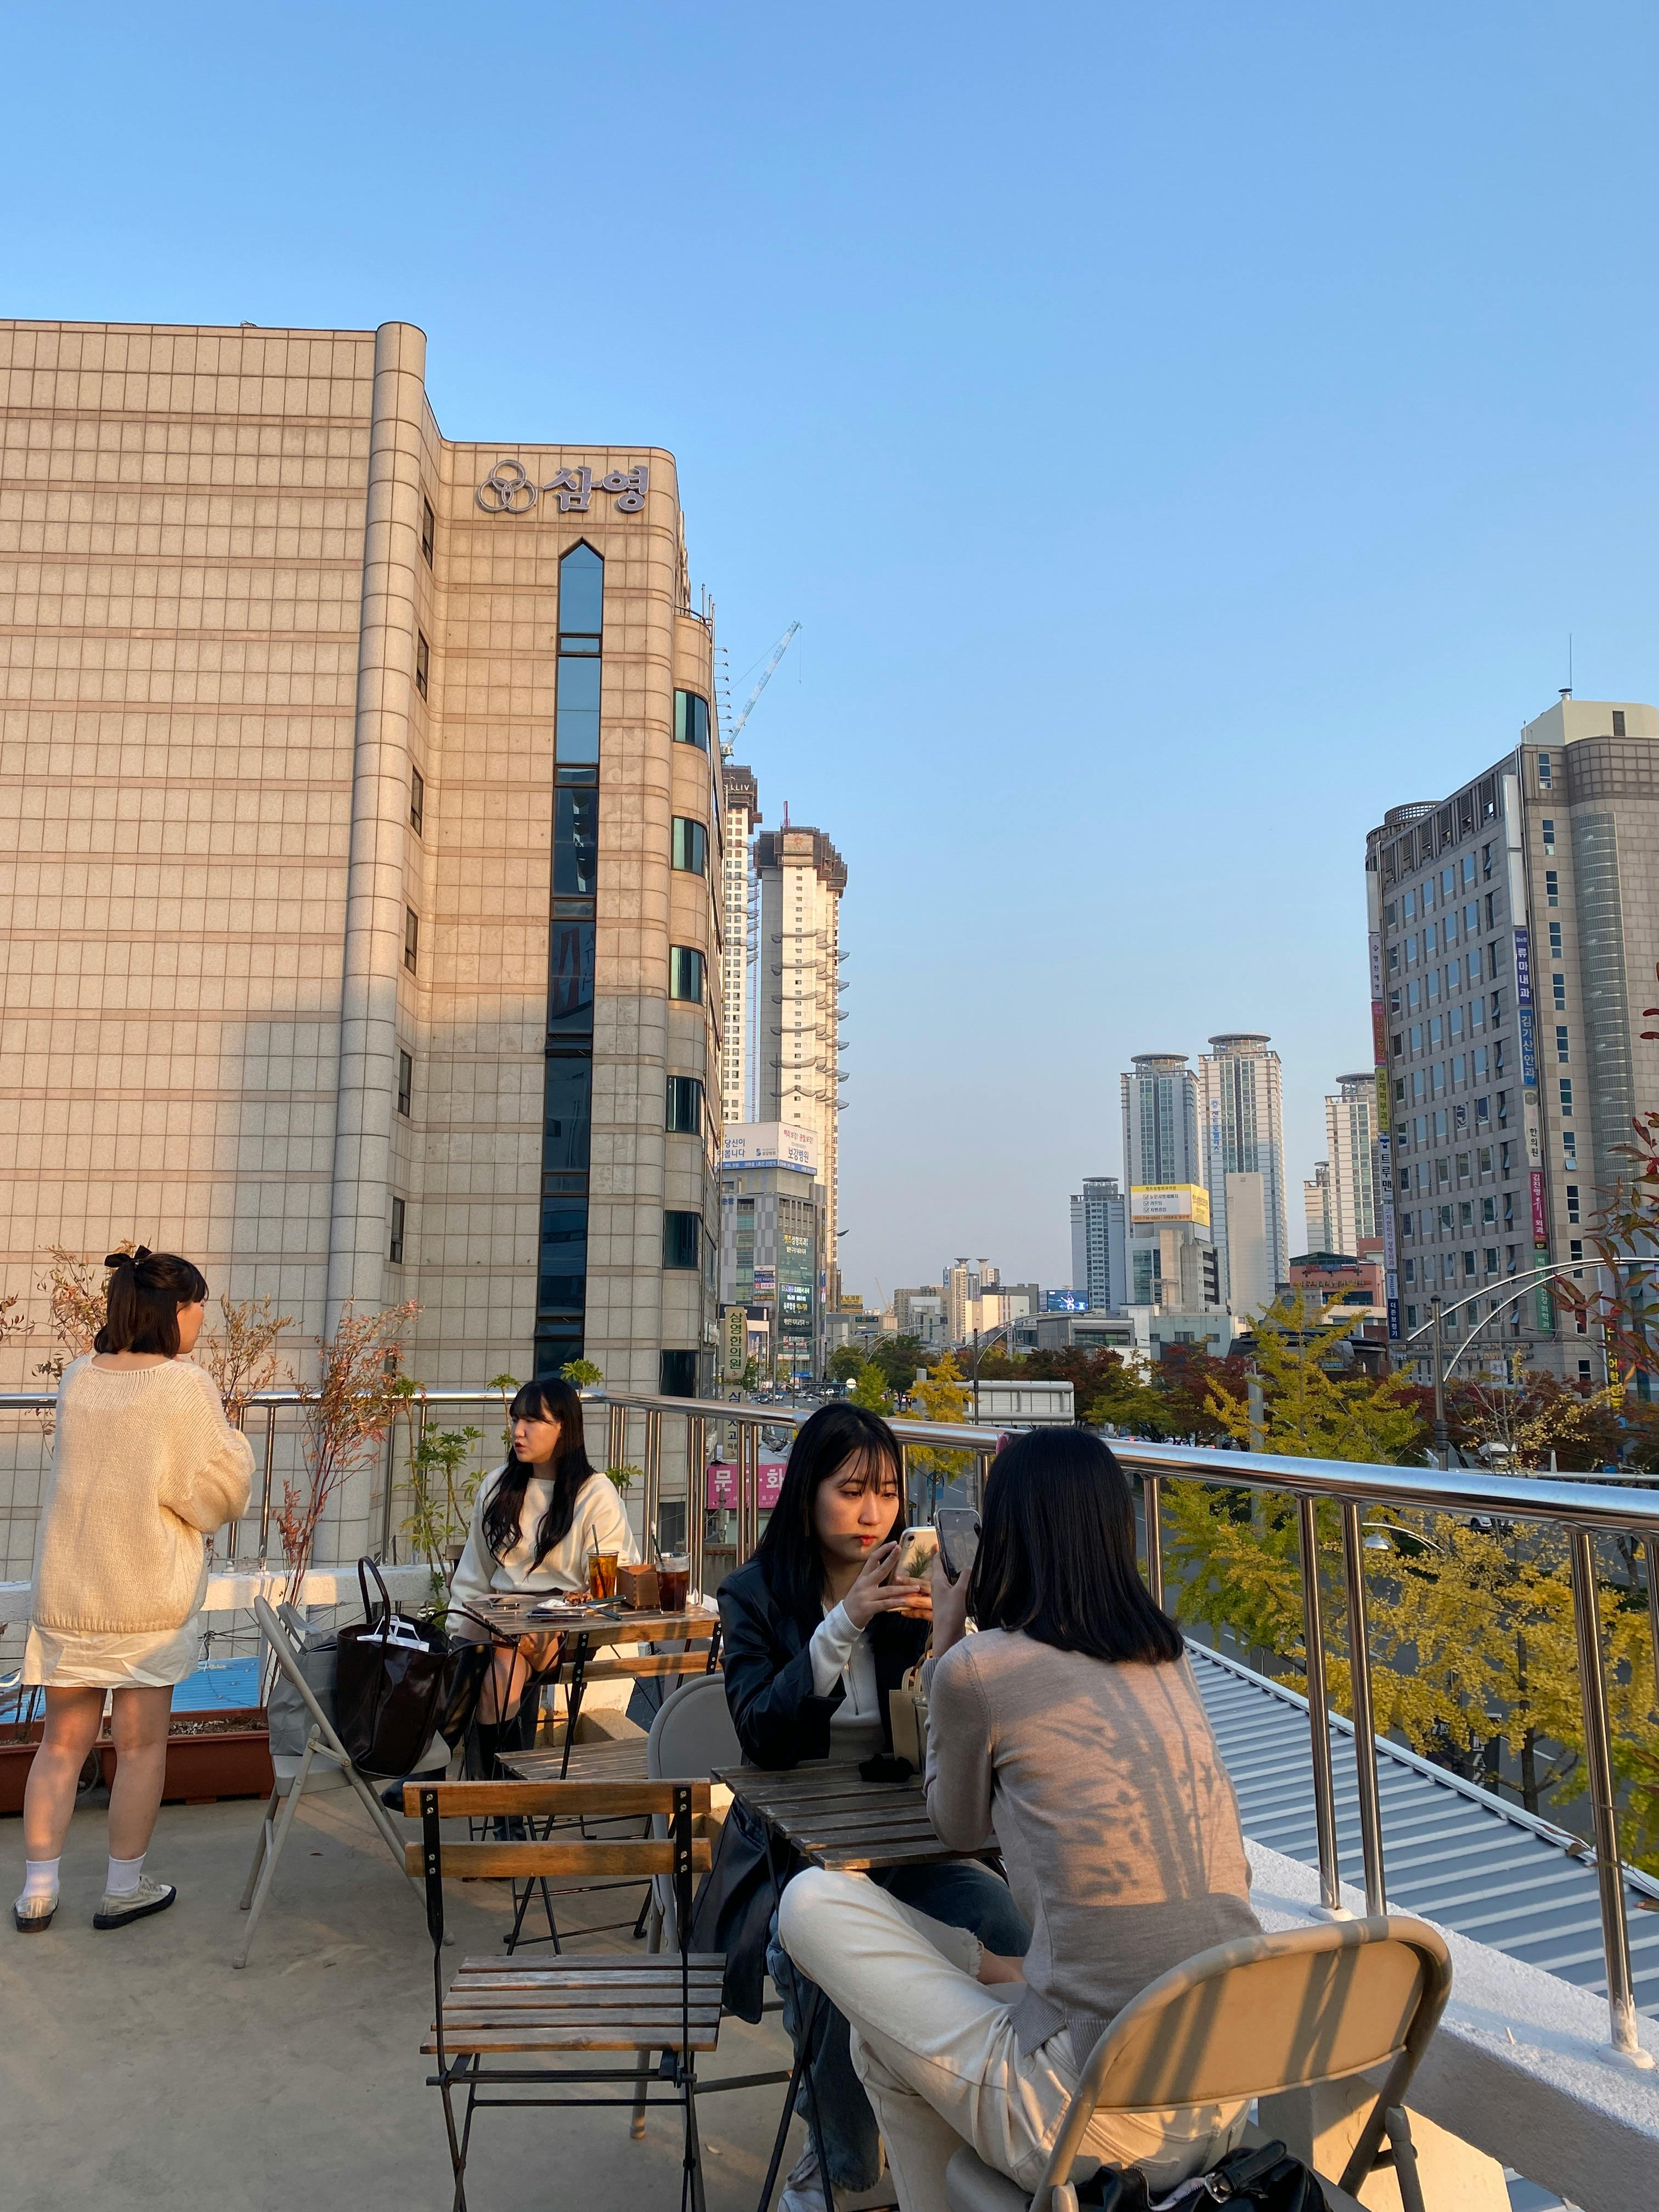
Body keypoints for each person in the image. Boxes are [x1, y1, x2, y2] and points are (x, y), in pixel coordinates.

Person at [778, 1427, 1261, 2212]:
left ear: (1005, 1536)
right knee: (881, 2042)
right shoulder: (1166, 1659)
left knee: (810, 1900)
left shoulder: (981, 1668)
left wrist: (943, 1638)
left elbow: (957, 1827)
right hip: (1227, 2098)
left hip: (1087, 2120)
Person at [715, 1403, 1030, 2212]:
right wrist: (844, 1621)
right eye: (851, 1490)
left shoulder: (914, 1586)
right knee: (816, 1957)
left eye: (887, 1493)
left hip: (902, 1840)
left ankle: (986, 2134)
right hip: (789, 1851)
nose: (872, 1513)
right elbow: (764, 1736)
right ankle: (844, 2167)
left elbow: (953, 1750)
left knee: (1000, 1917)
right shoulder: (754, 1596)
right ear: (805, 1493)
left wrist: (949, 1645)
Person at [15, 1248, 255, 1934]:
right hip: (144, 1595)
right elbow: (214, 1495)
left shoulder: (79, 1377)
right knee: (142, 1746)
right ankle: (123, 1888)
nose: (203, 1318)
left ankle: (38, 1890)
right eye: (198, 1304)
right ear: (174, 1310)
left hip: (70, 1591)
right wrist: (236, 1445)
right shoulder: (184, 1386)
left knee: (60, 1744)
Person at [449, 1376, 639, 1769]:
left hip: (566, 1625)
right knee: (503, 1662)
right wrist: (460, 1628)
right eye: (516, 1418)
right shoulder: (498, 1487)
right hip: (498, 1625)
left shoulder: (594, 1493)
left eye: (533, 1421)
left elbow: (617, 1576)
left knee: (502, 1643)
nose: (518, 1431)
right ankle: (509, 1817)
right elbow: (475, 1573)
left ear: (564, 1428)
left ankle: (435, 1755)